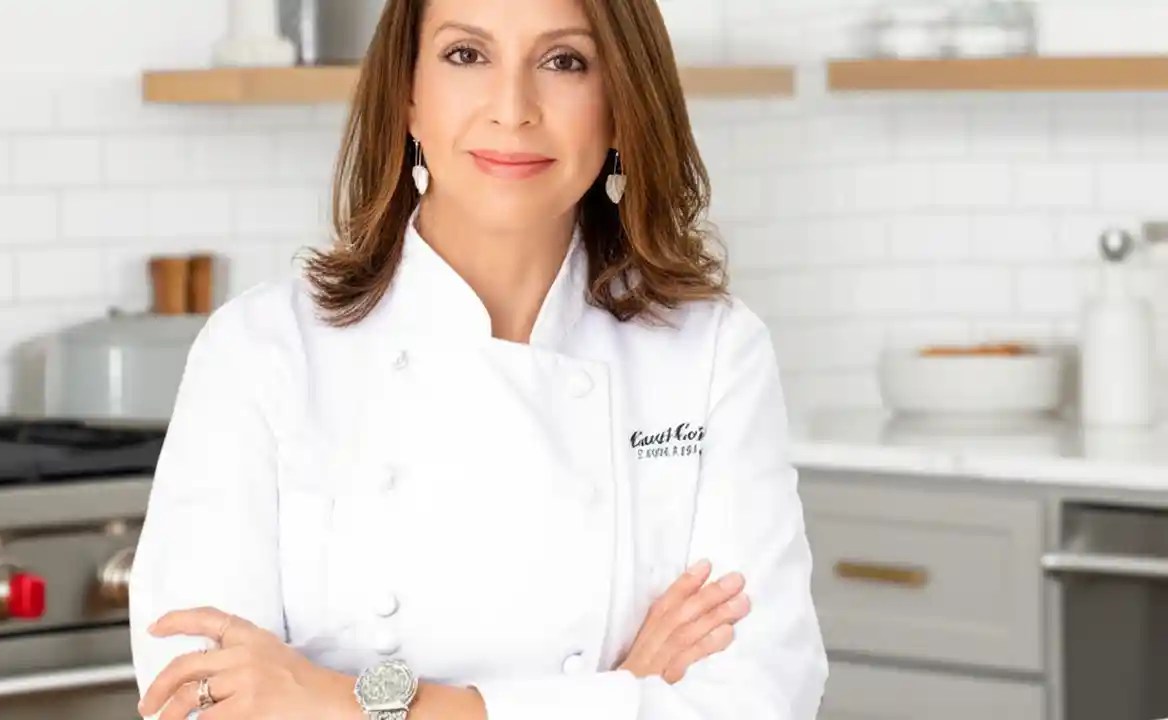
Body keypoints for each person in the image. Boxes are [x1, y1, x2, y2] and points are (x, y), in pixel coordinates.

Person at [127, 0, 828, 717]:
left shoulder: (711, 351)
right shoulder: (260, 349)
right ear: (407, 96)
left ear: (620, 102)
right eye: (467, 55)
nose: (512, 108)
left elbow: (763, 697)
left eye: (564, 61)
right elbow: (196, 695)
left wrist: (347, 704)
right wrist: (618, 694)